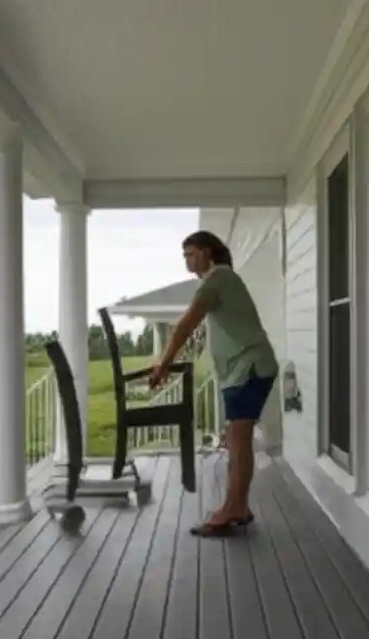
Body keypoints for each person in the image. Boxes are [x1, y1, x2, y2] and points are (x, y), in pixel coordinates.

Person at [149, 230, 280, 537]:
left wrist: (163, 365)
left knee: (238, 439)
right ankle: (239, 506)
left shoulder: (218, 278)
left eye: (191, 254)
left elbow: (184, 325)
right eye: (184, 256)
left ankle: (233, 508)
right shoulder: (221, 280)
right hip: (241, 370)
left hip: (248, 367)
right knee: (237, 440)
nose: (187, 261)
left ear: (208, 252)